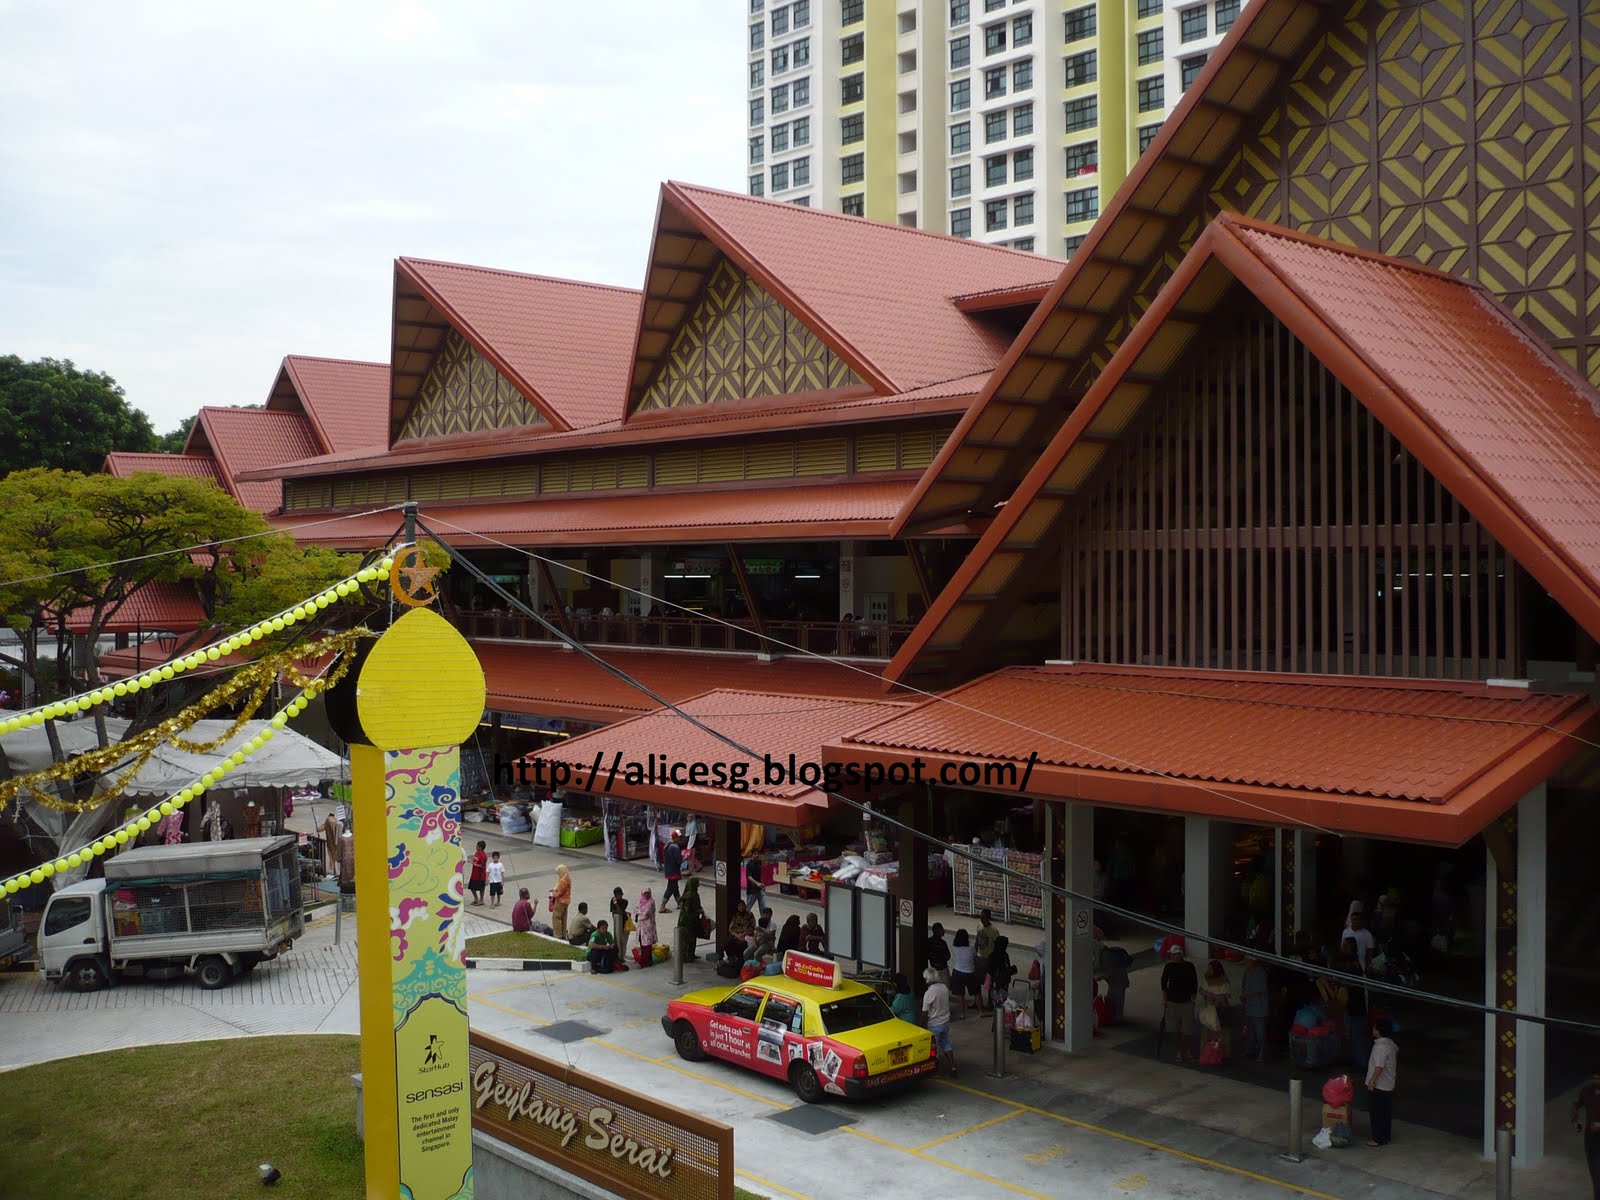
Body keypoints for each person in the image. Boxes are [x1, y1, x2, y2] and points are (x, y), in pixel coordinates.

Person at [1160, 942, 1200, 1063]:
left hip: (1186, 1001)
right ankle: (1179, 1051)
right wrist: (1165, 999)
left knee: (1187, 1029)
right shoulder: (1169, 967)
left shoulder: (1189, 966)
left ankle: (1186, 1050)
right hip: (1172, 1001)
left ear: (1179, 955)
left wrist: (1193, 999)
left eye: (1174, 954)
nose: (1172, 957)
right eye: (1171, 955)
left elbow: (1194, 983)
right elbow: (1164, 984)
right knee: (1174, 1029)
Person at [1365, 1015, 1398, 1146]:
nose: (1372, 1029)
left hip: (1380, 1085)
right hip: (1388, 1084)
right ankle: (1385, 1136)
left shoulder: (1380, 1047)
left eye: (1374, 1027)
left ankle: (1378, 1139)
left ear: (1378, 1030)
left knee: (1377, 1113)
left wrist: (1372, 1081)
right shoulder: (1390, 1043)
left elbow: (1379, 1067)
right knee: (1385, 1113)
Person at [920, 965, 957, 1078]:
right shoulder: (944, 987)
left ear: (928, 980)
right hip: (945, 1021)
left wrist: (921, 1025)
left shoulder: (929, 993)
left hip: (934, 1023)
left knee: (933, 1048)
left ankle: (935, 1071)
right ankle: (952, 1066)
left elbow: (924, 1013)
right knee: (946, 1044)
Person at [1570, 1068, 1600, 1199]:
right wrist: (1575, 1121)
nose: (1595, 1082)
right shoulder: (1587, 1091)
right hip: (1591, 1136)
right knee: (1595, 1172)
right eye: (1593, 1079)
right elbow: (1575, 1106)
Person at [1198, 959, 1233, 1059]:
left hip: (1221, 1010)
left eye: (1210, 968)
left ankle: (1224, 1055)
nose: (1208, 970)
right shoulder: (1206, 978)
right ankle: (1206, 1054)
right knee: (1206, 1032)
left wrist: (1213, 996)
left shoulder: (1224, 980)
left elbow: (1226, 996)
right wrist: (1207, 995)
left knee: (1223, 1033)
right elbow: (1201, 990)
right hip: (1209, 1009)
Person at [1241, 956, 1270, 1062]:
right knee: (1250, 1030)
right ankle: (1250, 1049)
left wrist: (1246, 995)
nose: (1245, 963)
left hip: (1259, 1006)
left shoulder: (1261, 973)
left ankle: (1262, 1051)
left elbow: (1260, 989)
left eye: (1247, 961)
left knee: (1260, 1031)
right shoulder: (1247, 972)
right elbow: (1243, 985)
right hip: (1249, 1005)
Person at [950, 928, 982, 1016]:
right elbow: (975, 958)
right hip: (970, 972)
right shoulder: (971, 949)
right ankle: (981, 1011)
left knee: (960, 995)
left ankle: (962, 1014)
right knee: (977, 992)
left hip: (957, 972)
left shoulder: (955, 948)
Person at [677, 877, 706, 961]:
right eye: (697, 882)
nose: (699, 884)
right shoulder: (690, 895)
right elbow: (688, 910)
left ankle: (690, 954)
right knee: (688, 938)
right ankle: (687, 956)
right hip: (688, 922)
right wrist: (699, 910)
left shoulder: (693, 893)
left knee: (692, 937)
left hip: (691, 920)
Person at [985, 935, 1015, 1012]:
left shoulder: (992, 956)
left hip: (996, 983)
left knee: (997, 1002)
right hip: (1003, 983)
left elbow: (989, 971)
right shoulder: (1005, 956)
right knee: (1003, 1001)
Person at [1342, 902, 1376, 970]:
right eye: (1354, 919)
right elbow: (1343, 948)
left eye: (1358, 919)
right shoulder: (1346, 932)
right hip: (1348, 965)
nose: (1356, 921)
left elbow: (1369, 952)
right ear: (1351, 920)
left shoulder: (1367, 934)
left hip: (1362, 964)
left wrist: (1368, 965)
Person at [634, 887, 657, 968]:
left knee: (646, 945)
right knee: (642, 943)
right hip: (641, 927)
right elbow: (636, 909)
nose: (646, 895)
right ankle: (647, 960)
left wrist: (639, 914)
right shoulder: (641, 900)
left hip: (648, 926)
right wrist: (639, 912)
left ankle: (644, 962)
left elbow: (646, 914)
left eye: (648, 893)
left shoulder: (651, 902)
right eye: (645, 893)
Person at [660, 834, 684, 912]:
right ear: (676, 838)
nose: (679, 839)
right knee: (671, 888)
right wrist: (684, 857)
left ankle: (679, 902)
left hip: (668, 871)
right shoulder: (675, 847)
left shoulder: (667, 846)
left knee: (674, 887)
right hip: (674, 871)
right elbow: (679, 861)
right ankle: (662, 906)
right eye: (678, 837)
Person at [926, 922, 952, 989]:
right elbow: (948, 957)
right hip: (943, 970)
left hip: (933, 969)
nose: (944, 931)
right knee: (945, 988)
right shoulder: (942, 943)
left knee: (934, 989)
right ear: (938, 931)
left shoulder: (928, 941)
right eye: (942, 929)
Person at [550, 863, 572, 939]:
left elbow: (560, 891)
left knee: (556, 917)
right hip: (567, 900)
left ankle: (557, 935)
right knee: (564, 917)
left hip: (561, 901)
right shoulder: (568, 877)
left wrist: (553, 895)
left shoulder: (563, 880)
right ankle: (563, 934)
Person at [468, 841, 488, 906]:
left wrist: (475, 864)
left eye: (477, 846)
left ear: (480, 848)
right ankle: (476, 898)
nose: (476, 847)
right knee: (472, 887)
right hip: (474, 873)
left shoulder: (484, 856)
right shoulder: (476, 853)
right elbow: (475, 860)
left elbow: (483, 866)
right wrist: (471, 861)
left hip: (480, 874)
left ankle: (481, 900)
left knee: (481, 888)